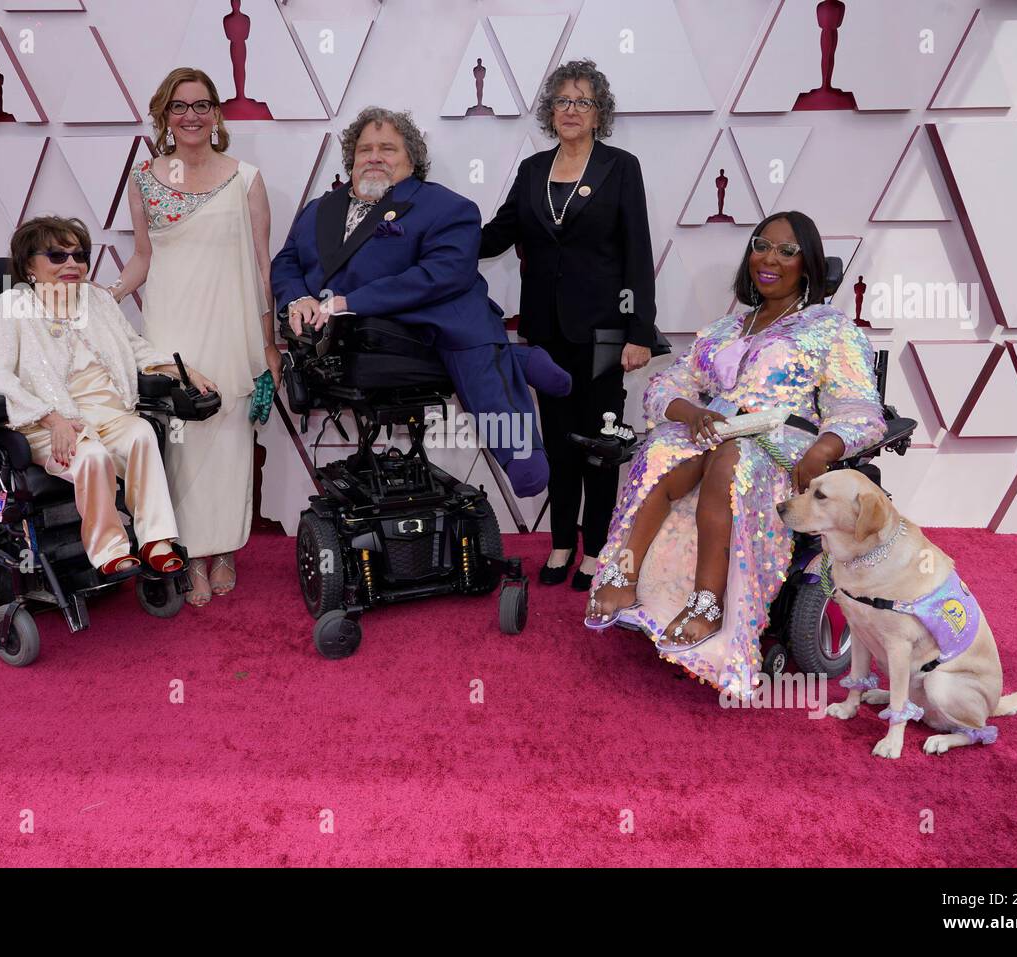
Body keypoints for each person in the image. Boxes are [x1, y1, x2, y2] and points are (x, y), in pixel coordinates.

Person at [585, 211, 886, 699]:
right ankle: (625, 571)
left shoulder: (828, 328)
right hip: (716, 427)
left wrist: (825, 448)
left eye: (787, 251)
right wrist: (688, 412)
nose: (770, 258)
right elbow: (669, 383)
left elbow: (858, 407)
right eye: (762, 245)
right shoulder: (725, 328)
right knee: (662, 449)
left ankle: (710, 602)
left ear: (807, 264)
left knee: (732, 458)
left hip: (784, 436)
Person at [270, 106, 571, 498]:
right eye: (365, 149)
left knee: (471, 350)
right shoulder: (318, 209)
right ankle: (519, 360)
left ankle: (518, 449)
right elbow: (287, 261)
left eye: (388, 149)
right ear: (351, 159)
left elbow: (445, 273)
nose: (374, 156)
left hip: (435, 317)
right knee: (473, 353)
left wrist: (349, 301)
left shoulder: (448, 207)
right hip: (354, 336)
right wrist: (299, 298)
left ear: (411, 159)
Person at [481, 59, 655, 590]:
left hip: (605, 332)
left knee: (598, 443)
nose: (571, 110)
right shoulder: (533, 171)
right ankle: (560, 544)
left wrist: (638, 331)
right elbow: (498, 235)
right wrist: (440, 235)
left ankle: (597, 551)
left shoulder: (620, 167)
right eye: (562, 101)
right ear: (549, 111)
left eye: (582, 101)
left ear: (599, 112)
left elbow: (636, 252)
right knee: (557, 441)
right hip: (545, 331)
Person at [113, 67, 281, 607]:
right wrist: (100, 296)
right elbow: (142, 258)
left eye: (202, 105)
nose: (191, 115)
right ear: (164, 114)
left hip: (232, 328)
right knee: (179, 441)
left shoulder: (246, 178)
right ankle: (189, 549)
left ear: (216, 114)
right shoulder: (143, 179)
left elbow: (262, 269)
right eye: (179, 106)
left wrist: (269, 343)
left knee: (229, 437)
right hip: (170, 329)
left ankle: (225, 550)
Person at [0, 216, 215, 576]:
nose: (72, 264)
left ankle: (155, 539)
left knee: (142, 434)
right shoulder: (9, 306)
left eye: (79, 255)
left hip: (110, 413)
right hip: (51, 424)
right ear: (29, 264)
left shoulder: (98, 300)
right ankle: (109, 550)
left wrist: (181, 371)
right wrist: (51, 418)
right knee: (91, 458)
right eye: (57, 256)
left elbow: (134, 348)